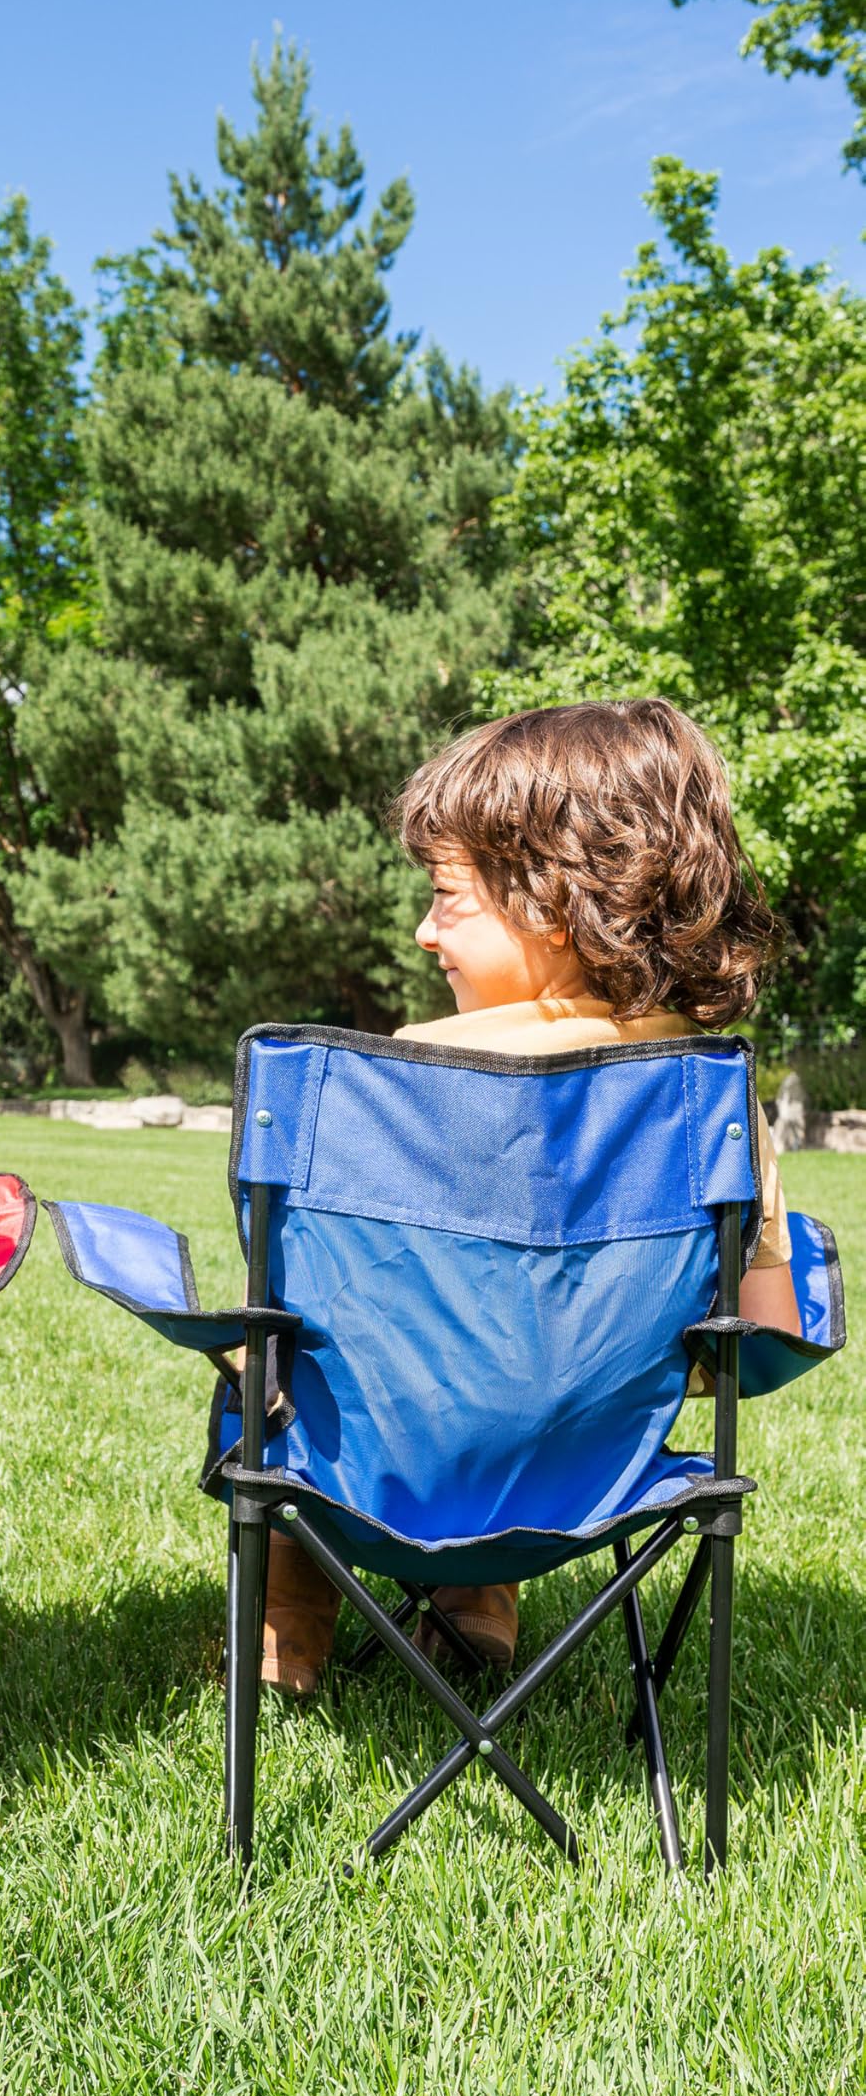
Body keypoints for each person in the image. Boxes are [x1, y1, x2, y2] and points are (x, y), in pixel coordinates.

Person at [262, 698, 799, 1696]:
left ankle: (286, 1633)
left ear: (553, 902)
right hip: (597, 1484)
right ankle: (478, 1607)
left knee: (259, 1367)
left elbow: (294, 1317)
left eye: (446, 899)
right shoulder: (707, 1096)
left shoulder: (391, 1079)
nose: (425, 932)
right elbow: (755, 1343)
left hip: (368, 1482)